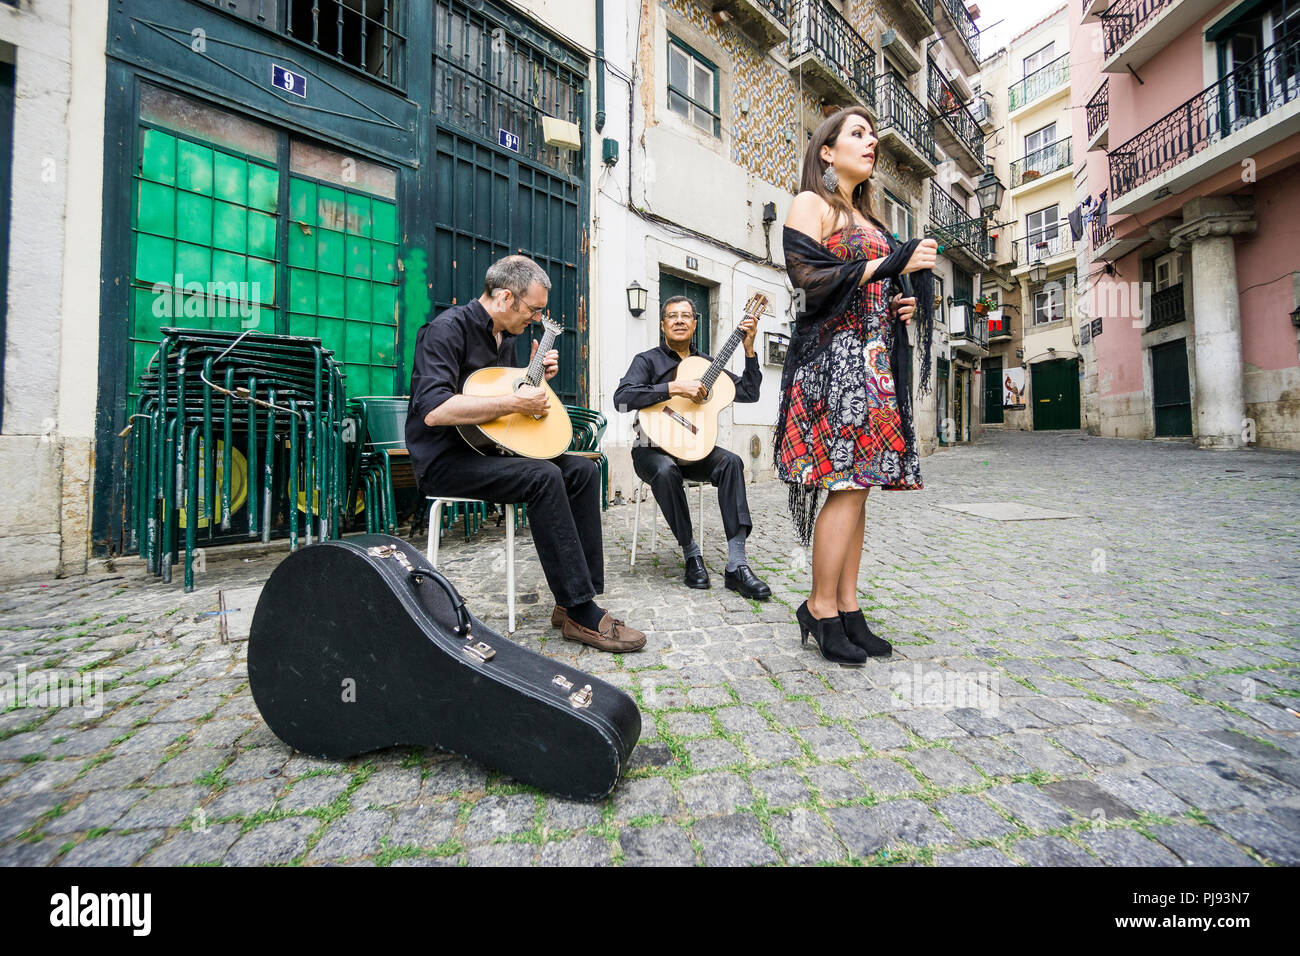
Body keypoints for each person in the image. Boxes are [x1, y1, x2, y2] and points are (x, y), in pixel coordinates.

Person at [405, 255, 646, 652]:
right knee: (543, 476)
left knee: (582, 470)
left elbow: (506, 416)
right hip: (445, 461)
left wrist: (535, 383)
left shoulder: (508, 340)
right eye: (532, 309)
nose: (535, 318)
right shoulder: (445, 330)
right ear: (504, 297)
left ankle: (573, 598)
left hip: (490, 453)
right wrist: (515, 401)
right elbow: (434, 410)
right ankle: (581, 612)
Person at [776, 106, 937, 666]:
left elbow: (878, 283)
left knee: (859, 488)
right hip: (832, 364)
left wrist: (903, 302)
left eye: (873, 135)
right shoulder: (811, 204)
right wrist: (893, 262)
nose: (872, 143)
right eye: (858, 134)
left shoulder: (872, 221)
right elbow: (808, 278)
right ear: (827, 150)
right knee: (844, 485)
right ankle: (819, 608)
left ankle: (848, 605)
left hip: (873, 360)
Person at [613, 296, 771, 599]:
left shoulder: (707, 365)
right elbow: (621, 398)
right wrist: (673, 387)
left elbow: (750, 392)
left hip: (694, 449)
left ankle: (737, 565)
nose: (679, 320)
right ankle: (691, 555)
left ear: (695, 324)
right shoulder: (647, 360)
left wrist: (749, 350)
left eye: (686, 315)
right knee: (665, 469)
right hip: (652, 449)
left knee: (732, 462)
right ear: (662, 325)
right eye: (672, 316)